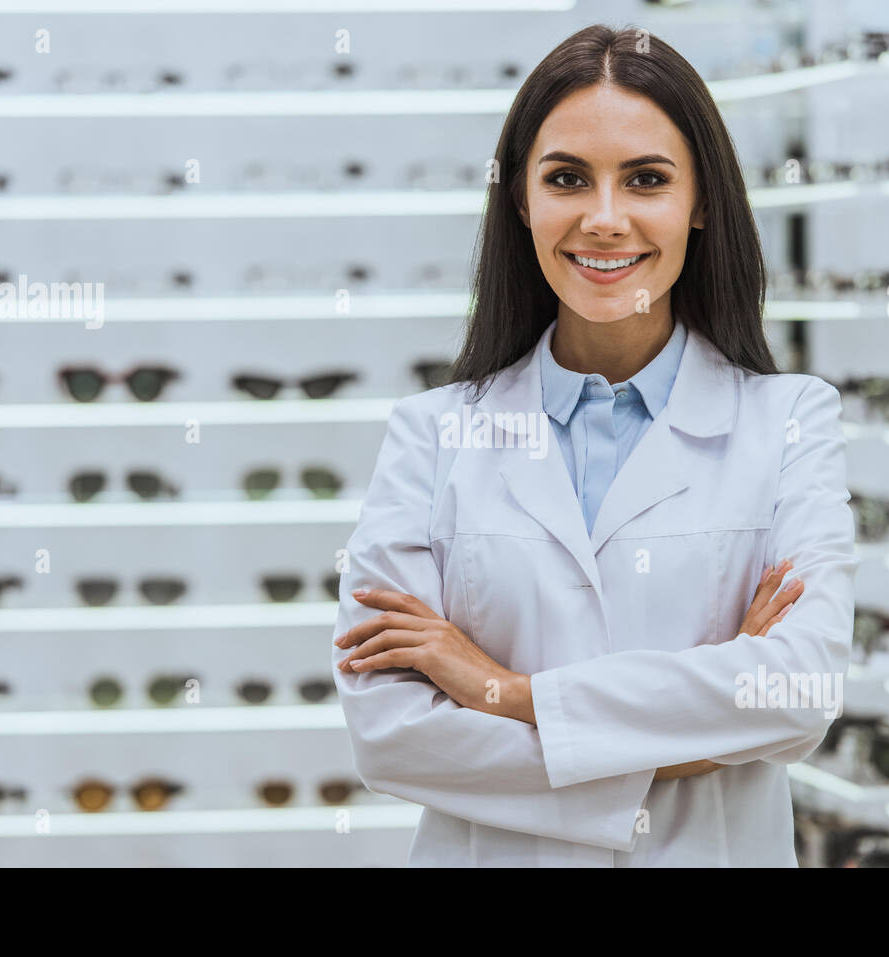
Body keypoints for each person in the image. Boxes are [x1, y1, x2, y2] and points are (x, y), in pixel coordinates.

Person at [331, 24, 856, 866]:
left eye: (646, 180)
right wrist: (703, 730)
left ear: (701, 202)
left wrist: (499, 688)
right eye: (567, 178)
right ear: (520, 199)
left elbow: (798, 690)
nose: (604, 220)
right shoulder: (430, 435)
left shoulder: (789, 421)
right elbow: (392, 736)